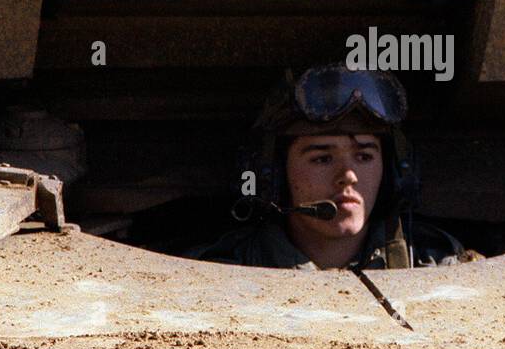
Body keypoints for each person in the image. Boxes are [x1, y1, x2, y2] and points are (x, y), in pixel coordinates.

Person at [190, 65, 477, 270]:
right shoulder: (222, 272)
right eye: (322, 158)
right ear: (273, 175)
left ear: (395, 174)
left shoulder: (439, 267)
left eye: (364, 157)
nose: (348, 176)